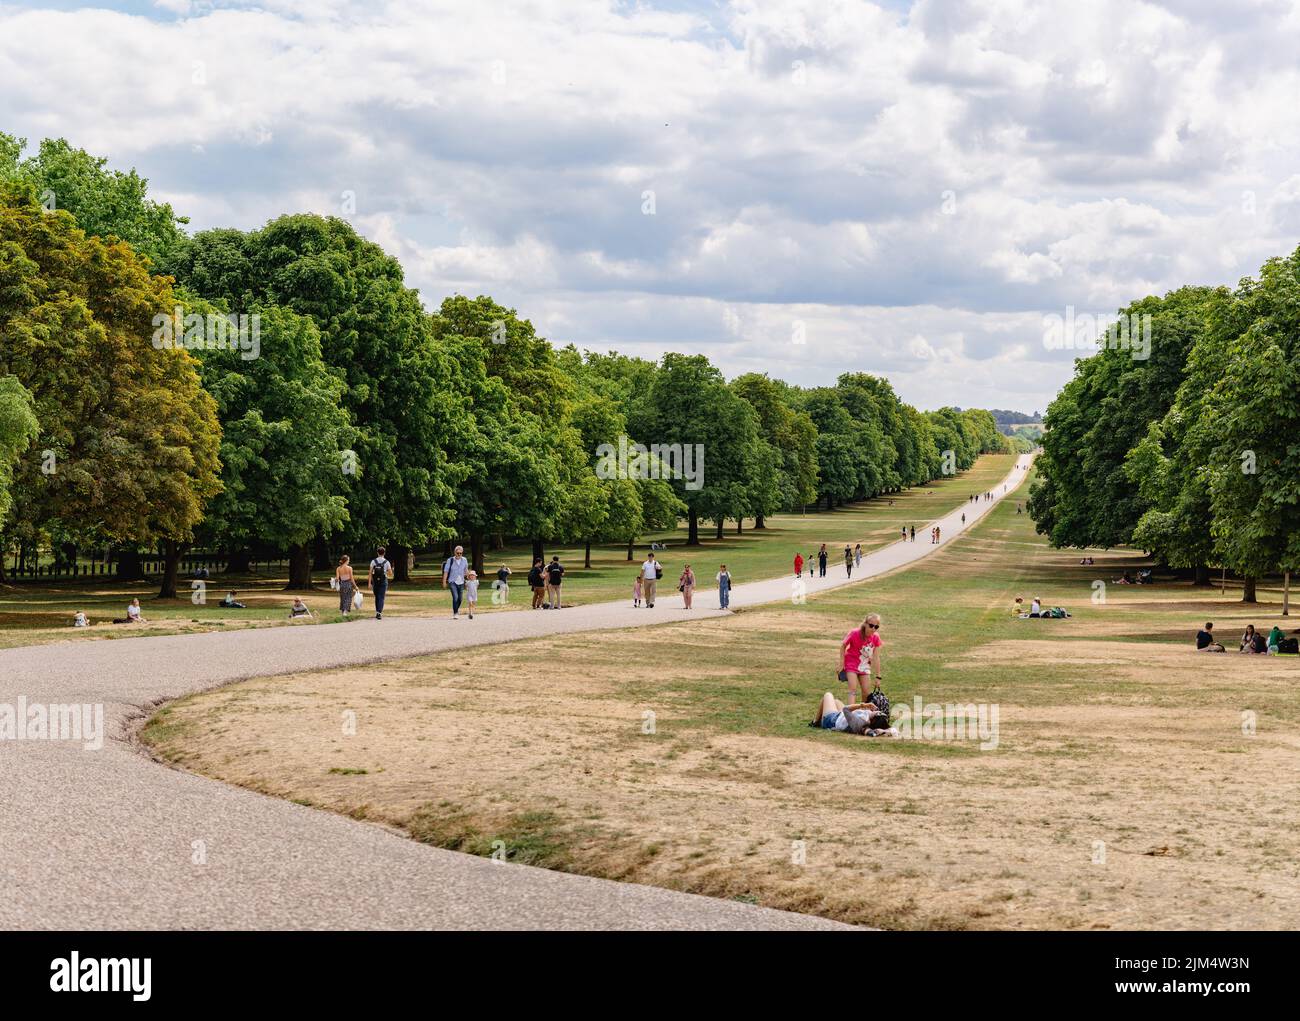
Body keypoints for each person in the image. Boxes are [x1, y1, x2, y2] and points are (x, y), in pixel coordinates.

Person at [811, 692, 893, 736]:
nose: (877, 710)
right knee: (836, 701)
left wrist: (864, 705)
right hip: (841, 717)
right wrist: (884, 731)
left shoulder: (859, 722)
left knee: (828, 695)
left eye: (878, 712)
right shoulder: (868, 720)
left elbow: (845, 709)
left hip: (831, 720)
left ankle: (815, 722)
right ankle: (817, 721)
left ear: (873, 718)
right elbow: (892, 730)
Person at [441, 545, 468, 618]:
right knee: (455, 597)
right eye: (457, 553)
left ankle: (456, 609)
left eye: (460, 553)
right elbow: (446, 571)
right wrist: (444, 582)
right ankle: (455, 613)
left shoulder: (464, 560)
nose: (459, 554)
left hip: (461, 582)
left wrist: (468, 581)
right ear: (455, 552)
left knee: (460, 599)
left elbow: (466, 571)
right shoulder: (450, 560)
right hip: (452, 581)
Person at [368, 546, 392, 620]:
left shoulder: (373, 561)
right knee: (381, 597)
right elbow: (390, 573)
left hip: (375, 581)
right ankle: (379, 612)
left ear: (377, 553)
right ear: (384, 553)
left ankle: (377, 612)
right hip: (383, 581)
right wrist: (387, 572)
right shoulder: (387, 562)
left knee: (377, 597)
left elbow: (370, 573)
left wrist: (369, 583)